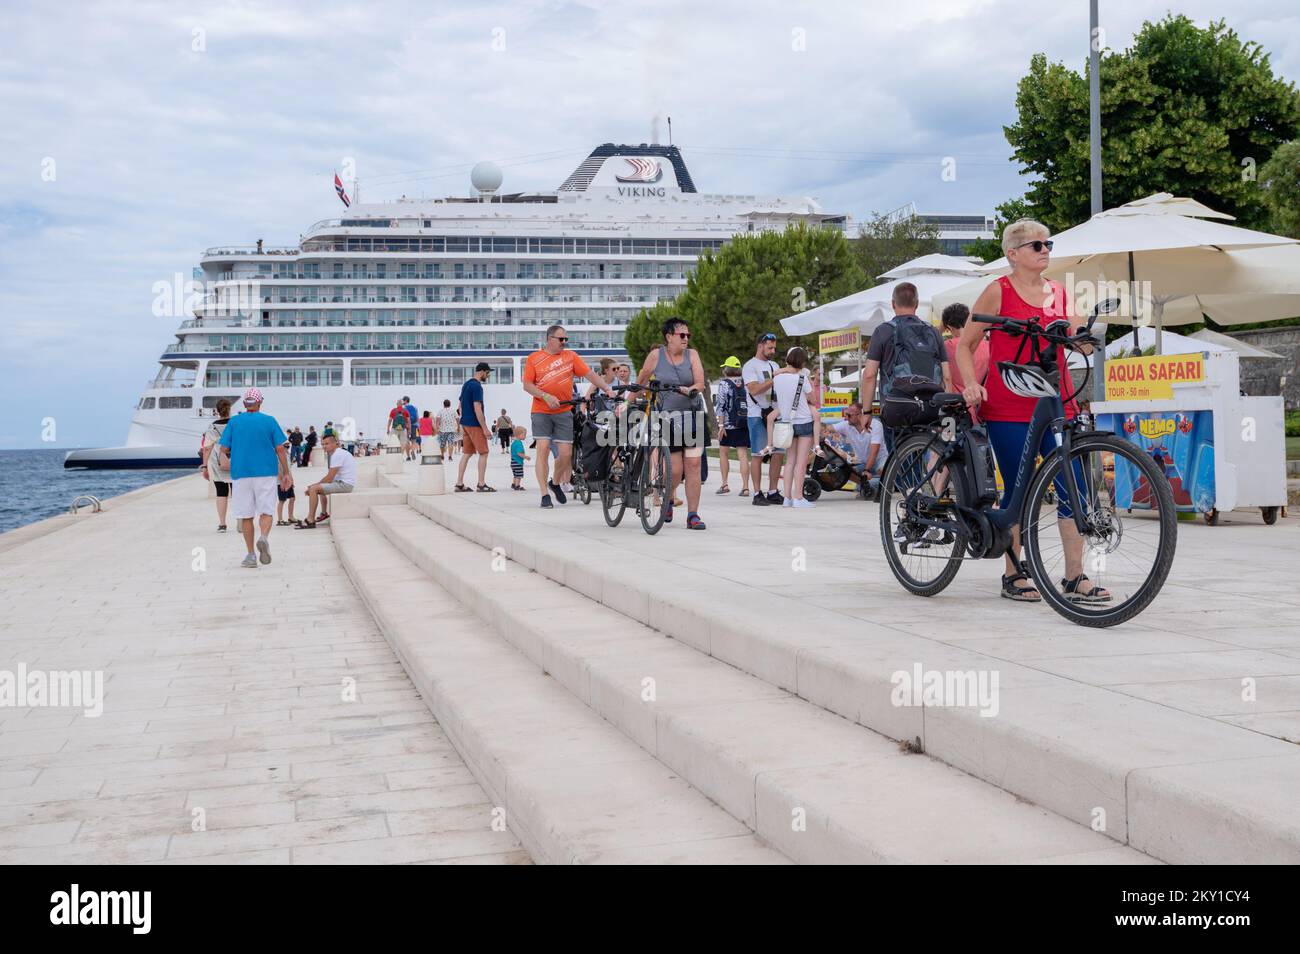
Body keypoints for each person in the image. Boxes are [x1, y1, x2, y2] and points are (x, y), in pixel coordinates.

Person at [958, 219, 1109, 605]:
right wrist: (970, 384)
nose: (1045, 250)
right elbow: (966, 343)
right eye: (1036, 245)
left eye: (1048, 244)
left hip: (1057, 401)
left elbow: (1077, 332)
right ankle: (1014, 573)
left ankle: (1074, 576)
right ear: (1013, 253)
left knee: (1073, 485)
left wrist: (1083, 339)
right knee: (1018, 489)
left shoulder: (1058, 292)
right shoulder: (997, 292)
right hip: (1009, 403)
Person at [522, 324, 612, 508]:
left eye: (566, 339)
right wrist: (545, 396)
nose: (564, 343)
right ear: (549, 339)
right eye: (561, 339)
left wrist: (607, 388)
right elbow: (527, 385)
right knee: (543, 448)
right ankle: (544, 494)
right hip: (541, 410)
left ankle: (554, 483)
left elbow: (589, 374)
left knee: (566, 454)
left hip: (564, 411)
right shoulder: (534, 358)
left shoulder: (570, 356)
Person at [860, 281, 952, 454]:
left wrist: (866, 411)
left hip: (896, 408)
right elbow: (947, 376)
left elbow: (869, 375)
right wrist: (946, 410)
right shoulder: (933, 332)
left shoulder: (882, 331)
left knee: (899, 463)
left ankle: (902, 480)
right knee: (919, 457)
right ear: (916, 304)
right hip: (928, 408)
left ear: (893, 304)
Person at [637, 317, 708, 529]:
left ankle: (693, 515)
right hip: (667, 416)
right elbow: (640, 382)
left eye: (688, 335)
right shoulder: (655, 356)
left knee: (693, 465)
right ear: (669, 337)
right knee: (675, 470)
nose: (686, 339)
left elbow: (701, 382)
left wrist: (691, 389)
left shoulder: (692, 355)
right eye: (682, 335)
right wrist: (627, 403)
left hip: (692, 414)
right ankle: (668, 498)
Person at [215, 387, 291, 568]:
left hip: (241, 474)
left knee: (246, 515)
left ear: (244, 403)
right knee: (266, 511)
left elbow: (223, 449)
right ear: (260, 402)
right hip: (266, 472)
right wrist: (286, 473)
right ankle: (263, 537)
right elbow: (280, 448)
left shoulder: (234, 422)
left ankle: (250, 556)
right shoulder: (269, 421)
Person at [763, 347, 820, 508]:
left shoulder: (778, 379)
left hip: (787, 423)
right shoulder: (802, 378)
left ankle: (787, 498)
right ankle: (799, 497)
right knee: (801, 463)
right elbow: (813, 399)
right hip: (804, 422)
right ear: (802, 361)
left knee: (789, 462)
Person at [744, 332, 795, 506]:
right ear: (760, 346)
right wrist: (775, 378)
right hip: (757, 415)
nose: (773, 351)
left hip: (776, 415)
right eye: (769, 347)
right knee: (758, 454)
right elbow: (753, 390)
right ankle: (757, 493)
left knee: (779, 454)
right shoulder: (750, 366)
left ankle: (773, 491)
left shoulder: (774, 364)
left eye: (774, 348)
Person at [826, 402, 887, 497]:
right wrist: (822, 431)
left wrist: (866, 470)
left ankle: (877, 485)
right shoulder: (847, 425)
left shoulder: (875, 425)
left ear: (859, 415)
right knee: (844, 472)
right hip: (862, 462)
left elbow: (874, 452)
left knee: (883, 470)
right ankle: (868, 486)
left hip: (879, 459)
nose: (846, 418)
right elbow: (827, 428)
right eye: (845, 414)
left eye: (849, 415)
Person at [299, 431, 358, 527]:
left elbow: (330, 478)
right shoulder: (338, 453)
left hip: (345, 485)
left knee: (314, 489)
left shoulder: (337, 455)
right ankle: (323, 513)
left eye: (327, 444)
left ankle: (310, 520)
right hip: (344, 482)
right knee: (320, 487)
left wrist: (312, 486)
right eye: (323, 444)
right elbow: (330, 478)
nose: (324, 446)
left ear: (335, 443)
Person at [454, 362, 495, 492]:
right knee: (484, 453)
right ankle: (481, 484)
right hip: (474, 424)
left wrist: (462, 419)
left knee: (466, 453)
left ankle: (459, 483)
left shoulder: (466, 384)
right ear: (482, 371)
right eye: (487, 373)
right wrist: (485, 428)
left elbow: (459, 405)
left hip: (465, 423)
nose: (487, 376)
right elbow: (478, 408)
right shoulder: (477, 387)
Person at [713, 356, 751, 496]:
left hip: (728, 425)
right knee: (743, 455)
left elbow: (720, 406)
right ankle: (746, 487)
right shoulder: (745, 383)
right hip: (743, 423)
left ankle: (724, 484)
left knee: (723, 452)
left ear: (727, 369)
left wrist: (721, 425)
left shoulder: (724, 384)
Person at [942, 303, 990, 404]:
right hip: (982, 402)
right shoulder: (988, 346)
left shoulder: (946, 346)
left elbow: (946, 377)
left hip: (957, 403)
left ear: (949, 328)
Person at [199, 398, 233, 531]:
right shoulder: (235, 424)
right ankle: (241, 520)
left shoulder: (212, 427)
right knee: (238, 492)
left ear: (217, 411)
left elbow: (207, 448)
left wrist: (205, 467)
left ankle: (222, 524)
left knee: (221, 492)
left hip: (218, 462)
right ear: (229, 410)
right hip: (235, 460)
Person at [275, 441, 298, 525]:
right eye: (286, 445)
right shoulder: (278, 456)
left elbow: (289, 469)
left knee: (292, 498)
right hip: (281, 482)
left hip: (289, 481)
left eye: (289, 445)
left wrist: (292, 480)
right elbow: (278, 469)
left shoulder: (287, 455)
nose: (287, 446)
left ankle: (291, 517)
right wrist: (282, 481)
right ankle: (280, 520)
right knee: (282, 500)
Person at [509, 425, 529, 490]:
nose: (525, 436)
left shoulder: (514, 443)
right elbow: (519, 453)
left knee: (515, 474)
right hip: (517, 462)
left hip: (513, 461)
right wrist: (525, 457)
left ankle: (513, 484)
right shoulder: (519, 443)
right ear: (519, 435)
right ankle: (517, 486)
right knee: (519, 475)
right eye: (524, 435)